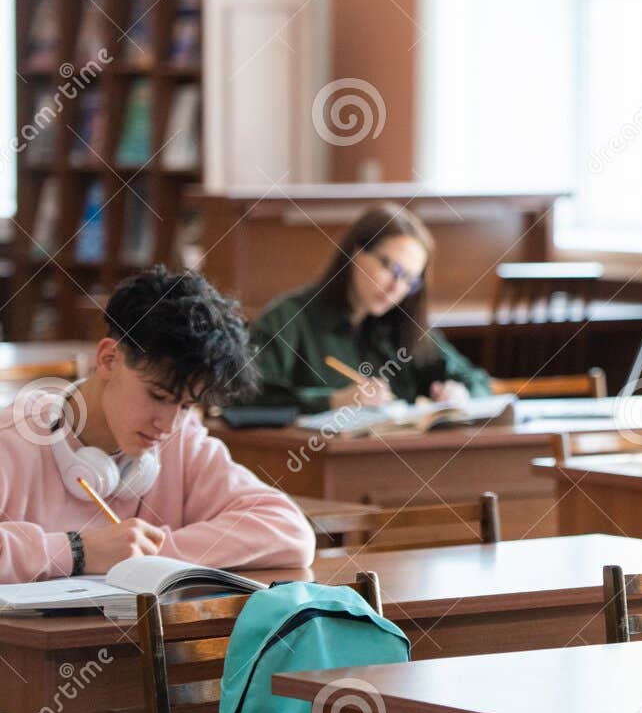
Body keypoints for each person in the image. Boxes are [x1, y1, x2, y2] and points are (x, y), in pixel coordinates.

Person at [0, 268, 315, 583]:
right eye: (159, 395)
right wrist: (76, 551)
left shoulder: (182, 440)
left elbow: (289, 530)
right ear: (109, 359)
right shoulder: (14, 438)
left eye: (187, 405)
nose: (168, 424)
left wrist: (142, 553)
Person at [249, 202, 491, 412]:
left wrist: (460, 393)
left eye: (409, 279)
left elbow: (477, 380)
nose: (396, 287)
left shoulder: (403, 324)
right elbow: (247, 397)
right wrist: (332, 402)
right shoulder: (289, 317)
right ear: (357, 252)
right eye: (390, 268)